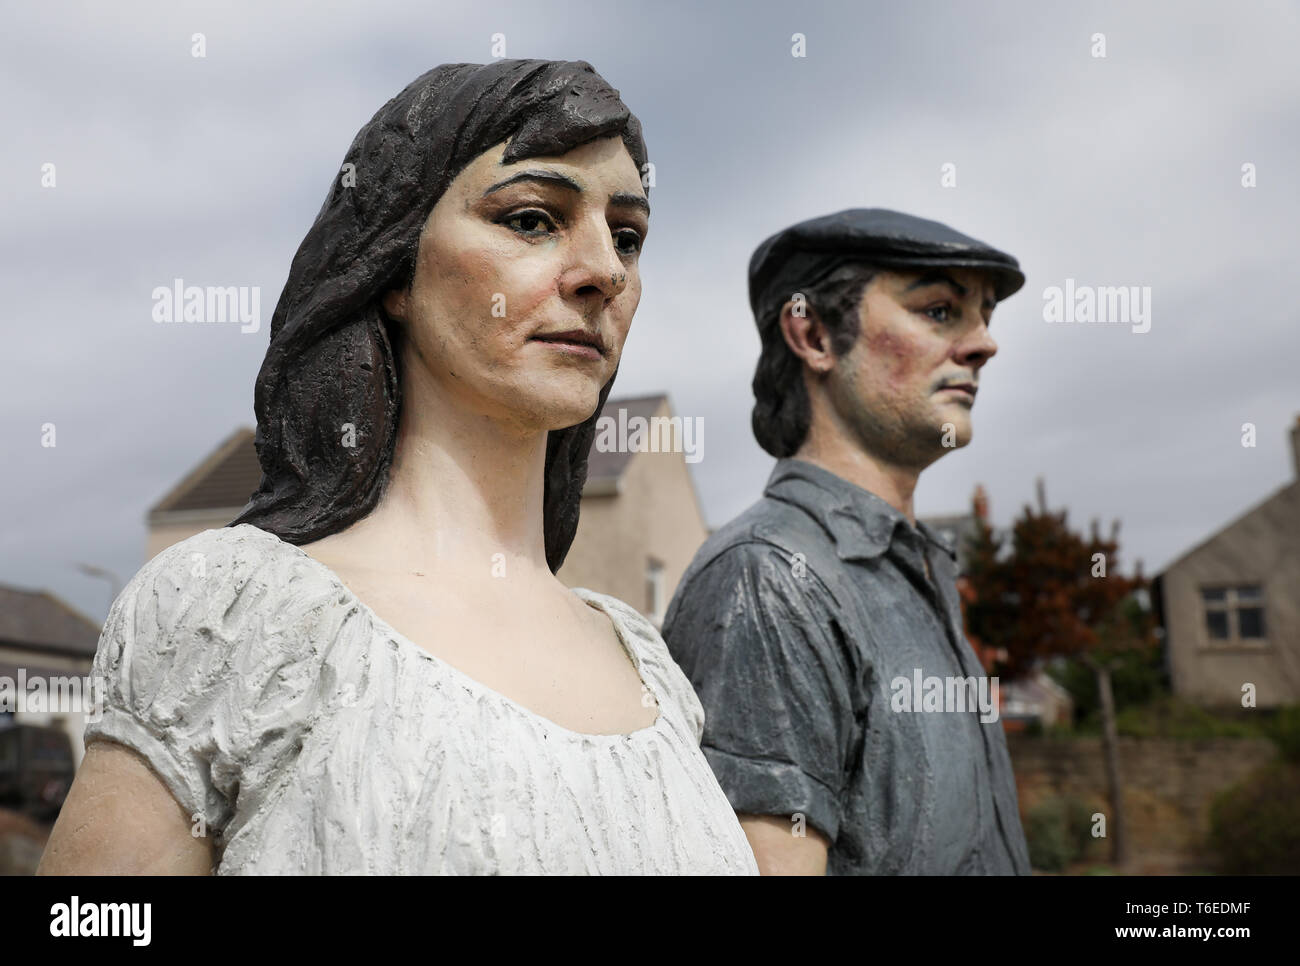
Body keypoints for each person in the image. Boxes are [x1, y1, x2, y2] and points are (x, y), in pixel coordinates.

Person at [38, 60, 758, 876]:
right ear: (393, 271)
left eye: (627, 235)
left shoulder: (649, 666)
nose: (605, 271)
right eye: (531, 219)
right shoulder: (237, 613)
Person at [662, 208, 1033, 875]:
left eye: (984, 316)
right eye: (941, 310)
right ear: (813, 334)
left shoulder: (918, 566)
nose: (983, 344)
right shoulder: (770, 577)